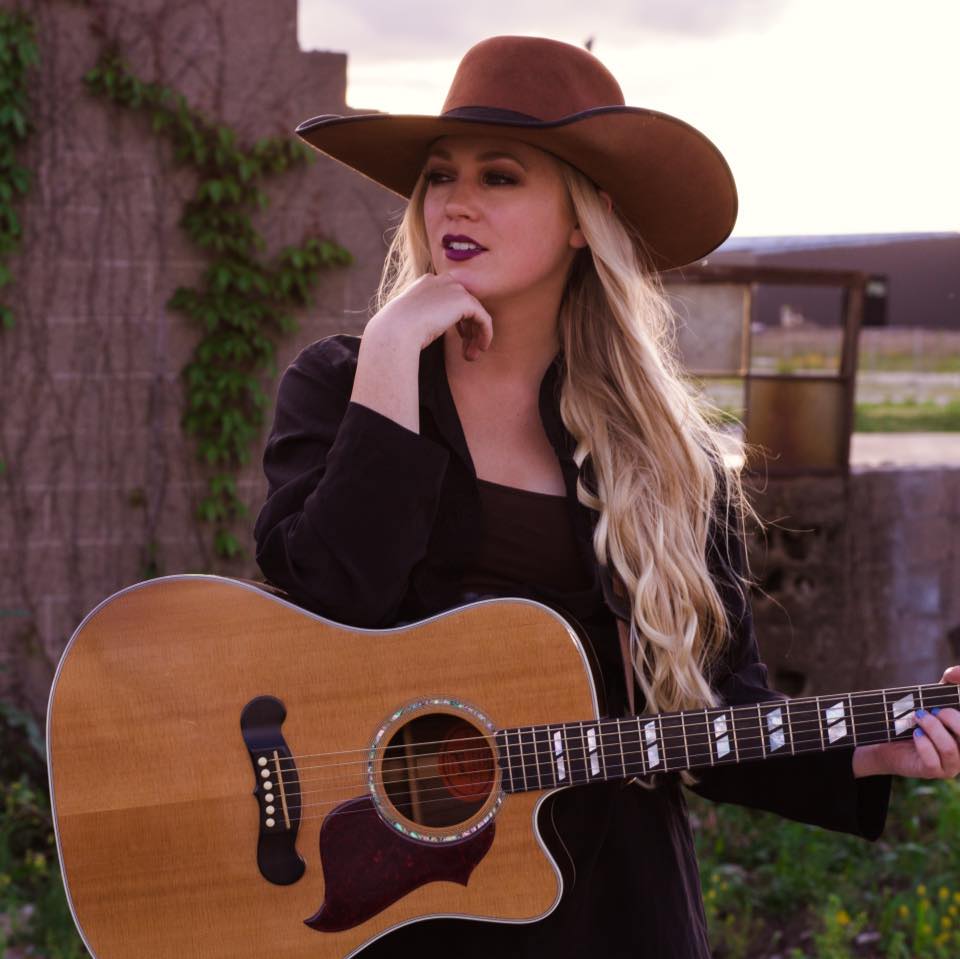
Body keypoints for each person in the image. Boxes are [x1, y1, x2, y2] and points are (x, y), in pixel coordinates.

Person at [253, 35, 960, 959]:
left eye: (500, 176)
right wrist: (390, 357)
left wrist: (875, 747)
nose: (455, 202)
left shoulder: (669, 457)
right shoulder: (343, 385)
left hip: (611, 913)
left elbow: (709, 715)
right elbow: (326, 603)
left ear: (586, 218)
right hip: (383, 907)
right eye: (438, 176)